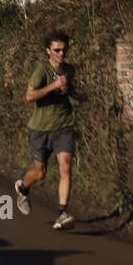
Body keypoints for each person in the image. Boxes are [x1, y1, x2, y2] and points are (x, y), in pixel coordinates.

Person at [14, 30, 88, 229]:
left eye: (64, 50)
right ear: (48, 51)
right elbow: (29, 97)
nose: (61, 54)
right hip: (40, 129)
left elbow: (66, 88)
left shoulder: (69, 70)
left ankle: (62, 213)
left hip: (63, 125)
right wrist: (53, 85)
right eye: (57, 50)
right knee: (40, 173)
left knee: (65, 167)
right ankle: (23, 187)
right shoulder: (41, 70)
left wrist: (76, 95)